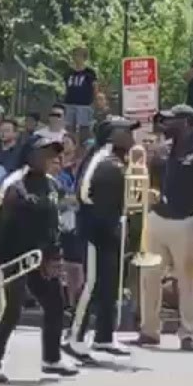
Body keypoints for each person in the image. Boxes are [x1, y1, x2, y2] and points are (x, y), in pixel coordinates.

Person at [0, 130, 75, 383]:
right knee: (11, 308)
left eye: (54, 153)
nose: (51, 158)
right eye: (45, 153)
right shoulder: (14, 185)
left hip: (40, 258)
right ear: (30, 155)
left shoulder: (53, 185)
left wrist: (54, 257)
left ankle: (52, 358)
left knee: (55, 303)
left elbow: (53, 225)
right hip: (11, 256)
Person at [137, 105, 193, 352]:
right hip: (157, 219)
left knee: (188, 280)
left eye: (174, 121)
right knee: (149, 276)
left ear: (189, 124)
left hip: (188, 223)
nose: (167, 124)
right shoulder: (161, 151)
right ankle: (149, 330)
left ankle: (187, 332)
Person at [68, 117, 136, 357]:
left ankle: (104, 336)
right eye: (128, 131)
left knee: (110, 285)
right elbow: (86, 195)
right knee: (92, 284)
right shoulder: (104, 160)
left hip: (110, 230)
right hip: (97, 231)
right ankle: (74, 336)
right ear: (113, 134)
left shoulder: (114, 160)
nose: (132, 137)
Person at [62, 47, 98, 137]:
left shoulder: (89, 72)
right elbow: (66, 86)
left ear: (84, 57)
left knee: (83, 129)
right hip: (69, 103)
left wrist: (93, 102)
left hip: (84, 104)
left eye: (78, 55)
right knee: (68, 127)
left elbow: (95, 87)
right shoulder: (69, 72)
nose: (76, 57)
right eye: (74, 55)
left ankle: (82, 146)